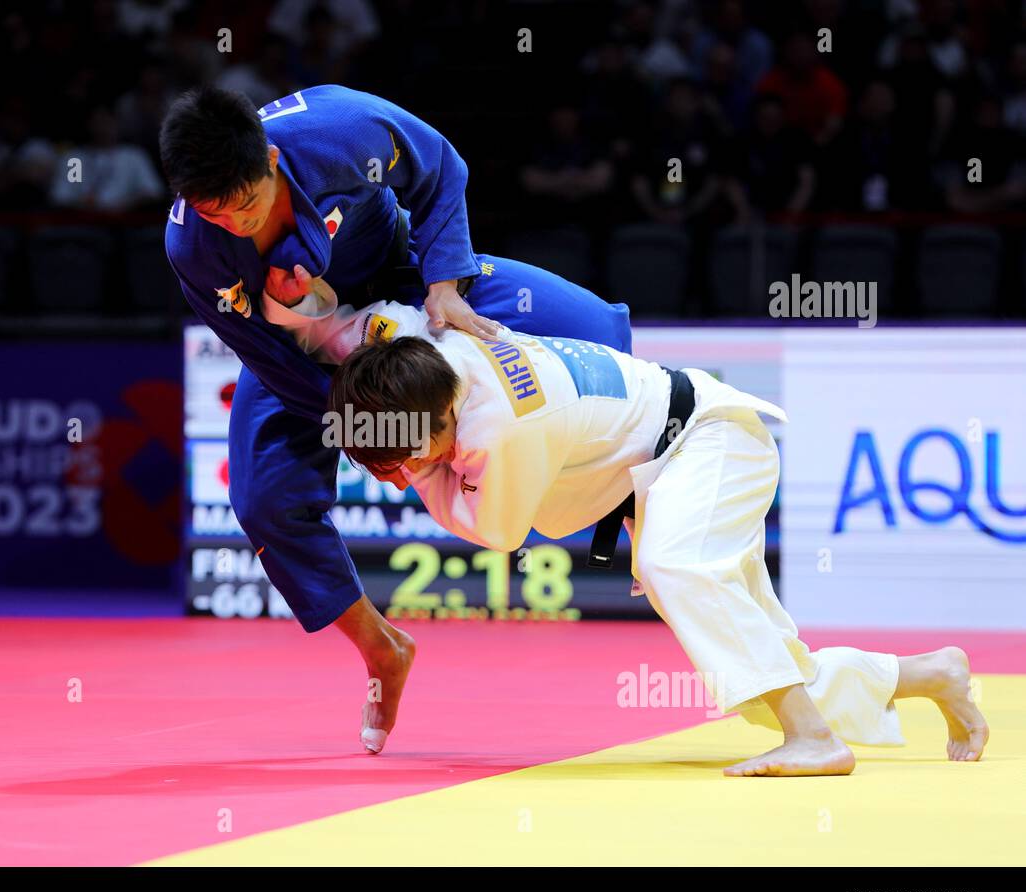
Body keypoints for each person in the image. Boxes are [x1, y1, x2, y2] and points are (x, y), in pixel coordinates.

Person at [314, 285, 989, 775]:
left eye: (404, 461)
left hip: (710, 438)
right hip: (668, 462)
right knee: (761, 679)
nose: (398, 475)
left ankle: (816, 741)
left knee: (674, 568)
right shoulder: (419, 349)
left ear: (440, 420)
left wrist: (426, 478)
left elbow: (499, 529)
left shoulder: (505, 425)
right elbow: (363, 325)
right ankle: (929, 675)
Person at [161, 85, 631, 754]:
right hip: (308, 353)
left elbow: (440, 165)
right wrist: (365, 432)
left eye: (247, 205)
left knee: (587, 325)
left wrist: (444, 286)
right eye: (216, 214)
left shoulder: (338, 130)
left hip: (403, 275)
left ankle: (630, 496)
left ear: (270, 161)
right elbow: (265, 355)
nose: (235, 224)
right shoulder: (192, 249)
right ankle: (381, 648)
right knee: (263, 497)